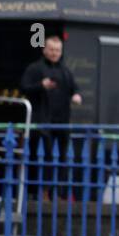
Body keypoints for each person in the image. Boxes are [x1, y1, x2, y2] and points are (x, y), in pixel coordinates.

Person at [20, 34, 83, 200]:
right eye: (52, 49)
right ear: (44, 50)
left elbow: (75, 88)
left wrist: (76, 95)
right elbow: (24, 87)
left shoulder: (65, 71)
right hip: (41, 121)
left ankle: (59, 193)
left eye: (57, 50)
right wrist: (41, 85)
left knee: (61, 158)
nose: (55, 53)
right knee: (42, 157)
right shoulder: (35, 68)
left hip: (61, 122)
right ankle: (38, 192)